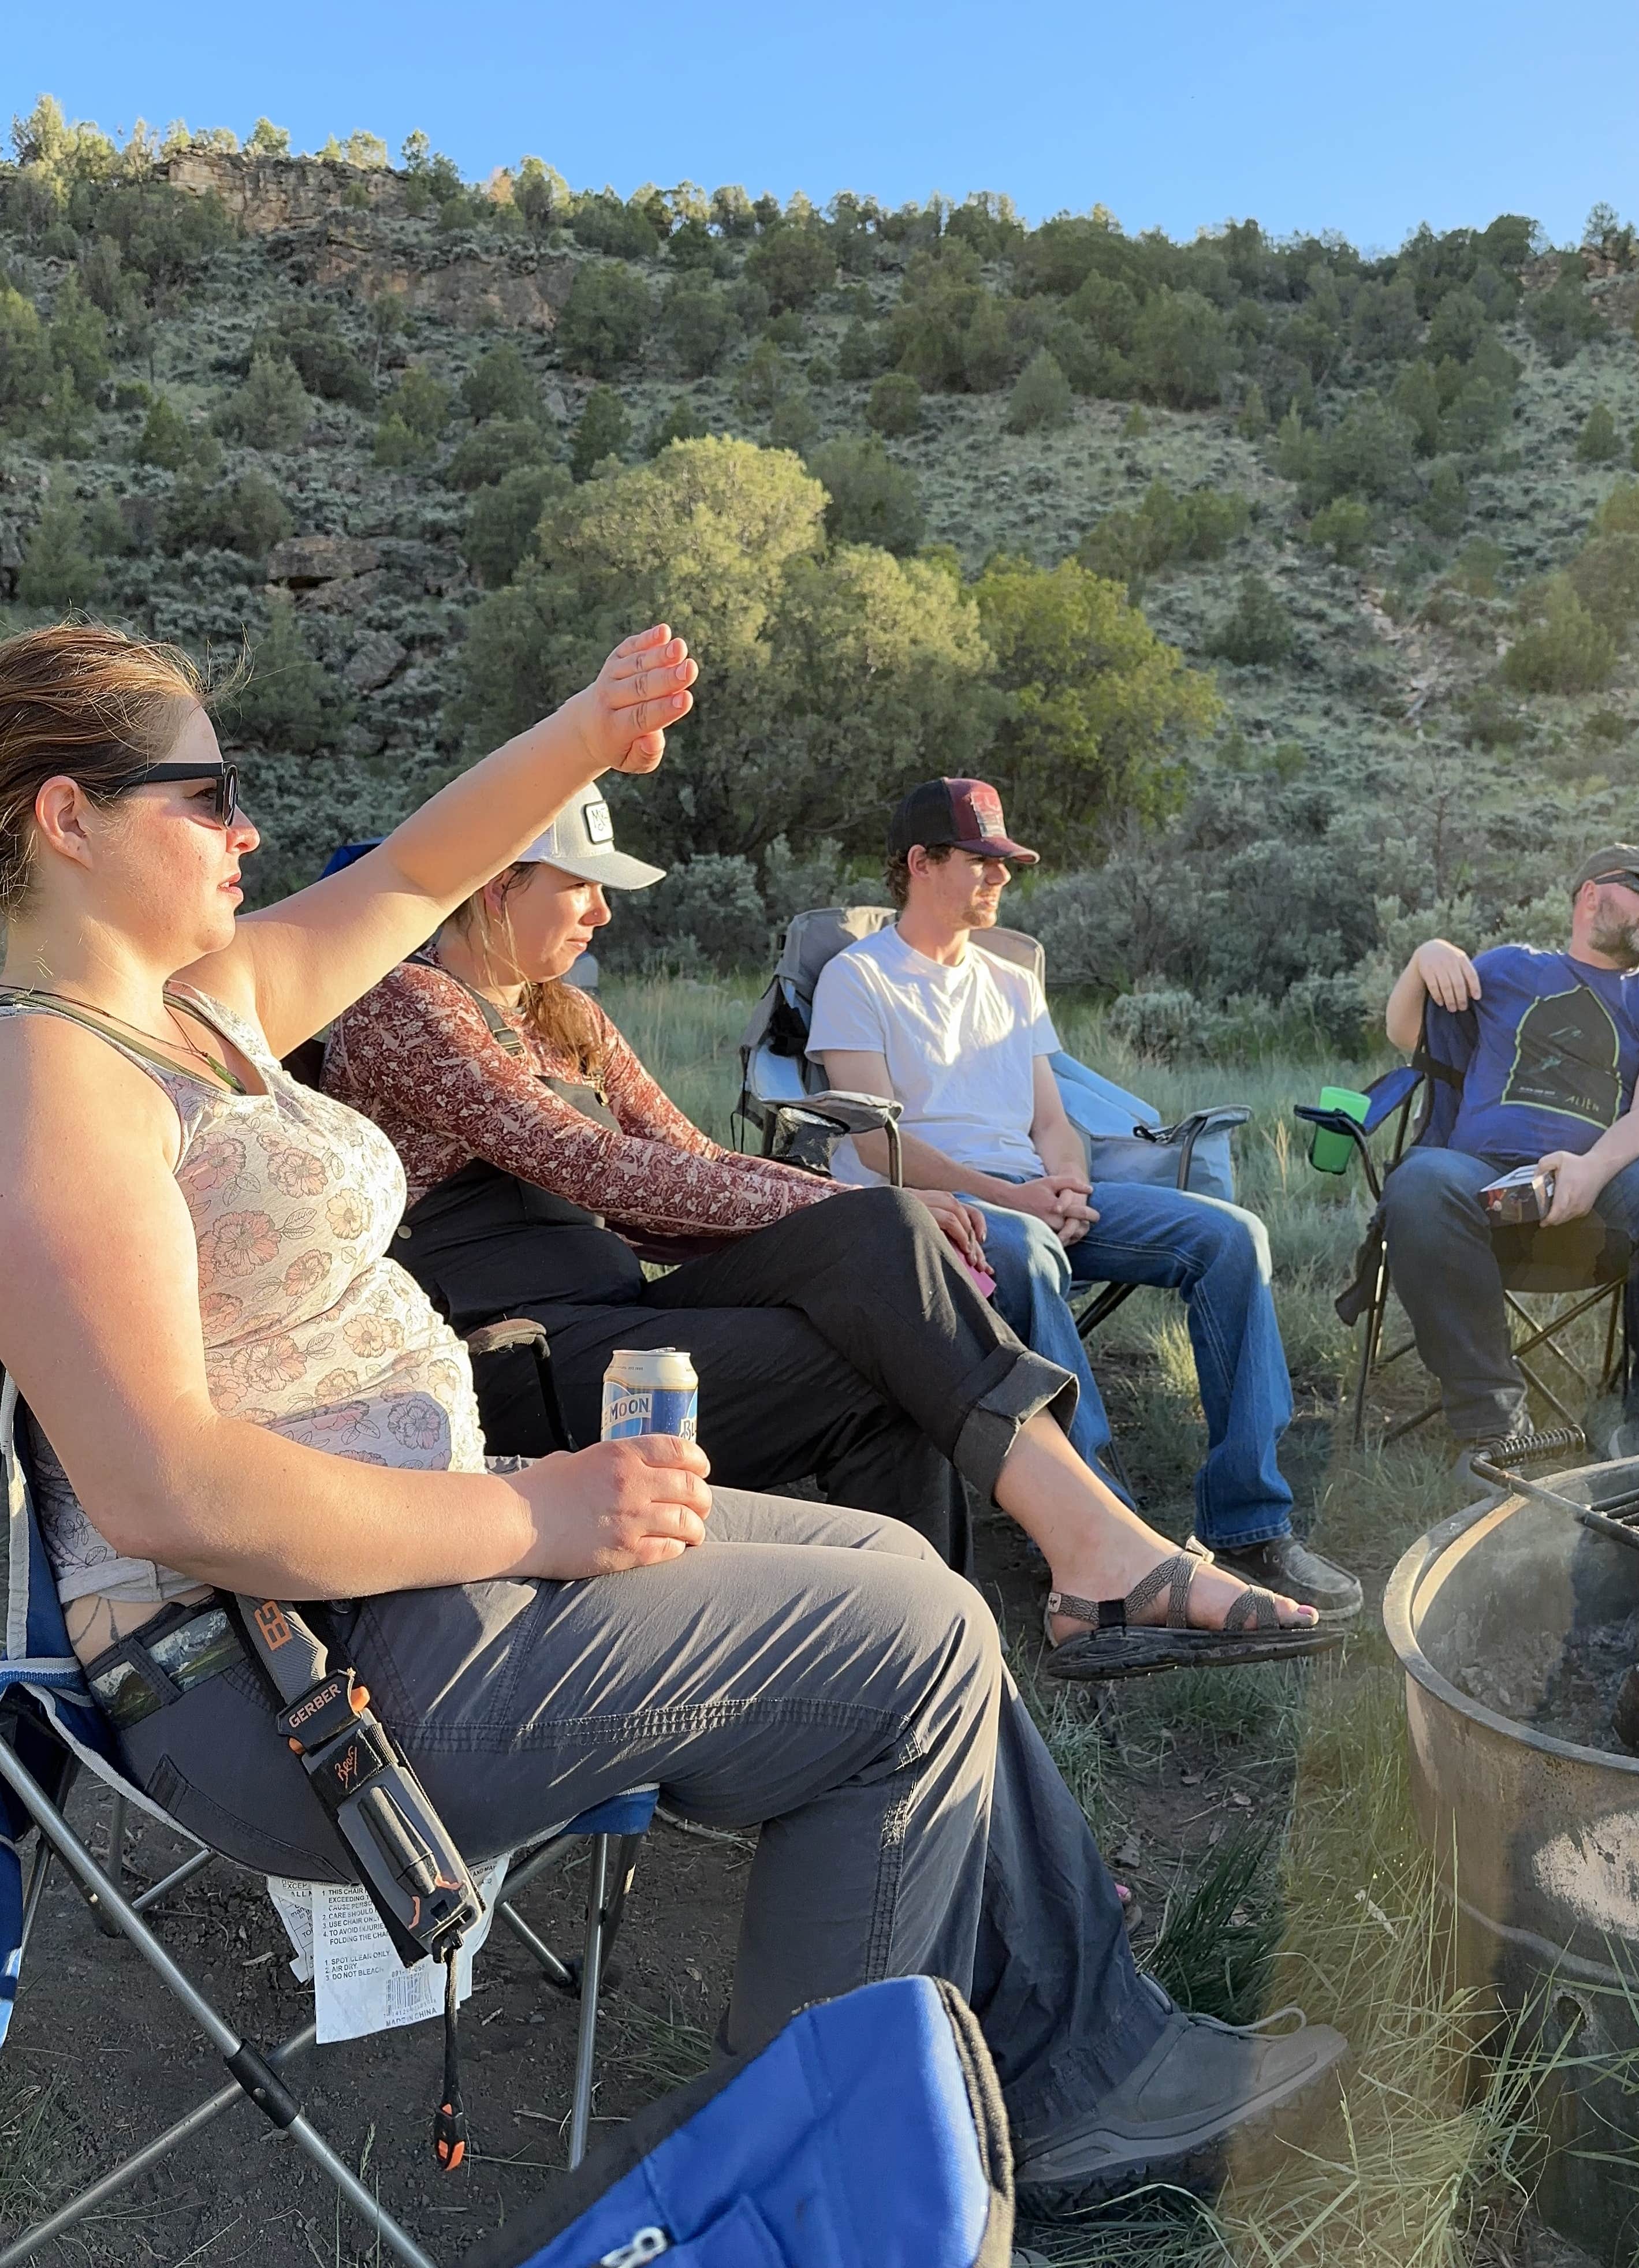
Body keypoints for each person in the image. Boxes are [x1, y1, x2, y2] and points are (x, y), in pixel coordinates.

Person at [0, 620, 1343, 2202]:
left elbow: (423, 877)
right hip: (288, 1675)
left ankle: (1057, 2064)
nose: (250, 830)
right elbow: (165, 1491)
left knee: (902, 1576)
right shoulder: (51, 1088)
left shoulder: (195, 1010)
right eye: (207, 795)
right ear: (67, 818)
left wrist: (588, 724)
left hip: (405, 1587)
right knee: (906, 1657)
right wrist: (538, 1511)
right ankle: (801, 2195)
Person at [322, 789, 1331, 1671]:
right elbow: (593, 1165)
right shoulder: (408, 1003)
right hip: (513, 1358)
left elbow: (695, 1162)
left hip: (622, 1325)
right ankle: (1076, 1568)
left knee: (887, 1309)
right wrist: (838, 1203)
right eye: (579, 884)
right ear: (497, 883)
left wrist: (859, 1213)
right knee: (872, 1238)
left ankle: (963, 1657)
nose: (602, 908)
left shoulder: (567, 1019)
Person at [807, 778, 1361, 1622]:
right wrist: (1017, 1199)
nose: (999, 879)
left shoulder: (1008, 980)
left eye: (1007, 865)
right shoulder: (860, 979)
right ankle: (1103, 1530)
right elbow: (875, 1146)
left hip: (1033, 1196)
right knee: (1028, 1252)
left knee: (1234, 1238)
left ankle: (1252, 1523)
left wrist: (1064, 1180)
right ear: (920, 863)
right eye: (981, 862)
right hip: (937, 1214)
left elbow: (1051, 1118)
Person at [1379, 843, 1639, 1479]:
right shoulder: (1511, 969)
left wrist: (1591, 1168)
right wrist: (1422, 958)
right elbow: (1410, 1036)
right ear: (1591, 894)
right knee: (1420, 1181)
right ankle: (1493, 1429)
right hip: (1481, 1188)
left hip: (1609, 1200)